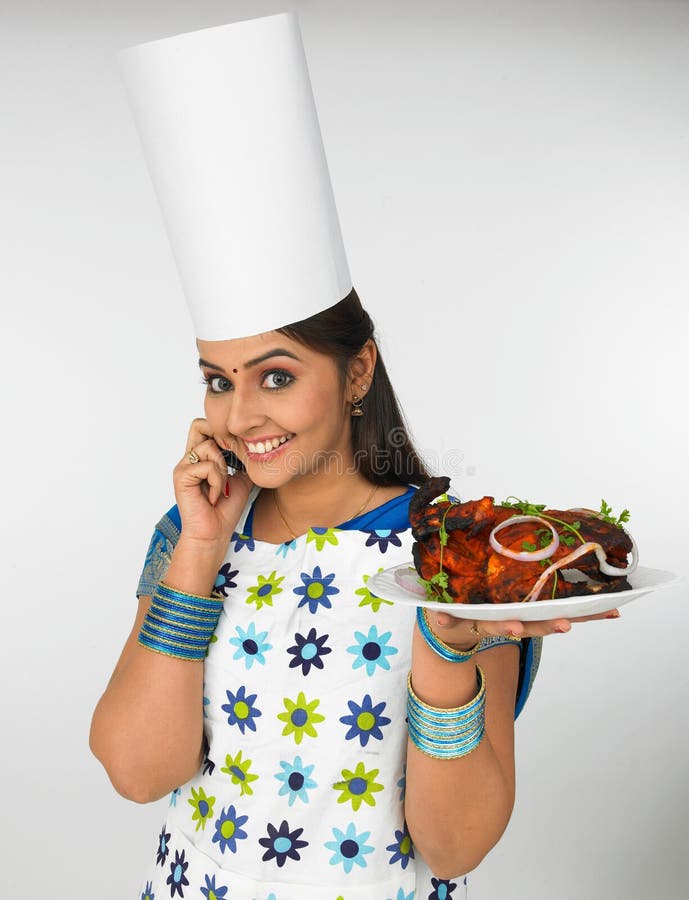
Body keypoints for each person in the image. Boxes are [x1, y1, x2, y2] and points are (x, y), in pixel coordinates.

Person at [89, 13, 615, 899]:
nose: (241, 415)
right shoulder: (192, 535)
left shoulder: (453, 556)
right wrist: (199, 552)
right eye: (218, 381)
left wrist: (445, 653)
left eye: (276, 375)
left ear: (357, 369)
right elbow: (139, 773)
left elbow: (453, 849)